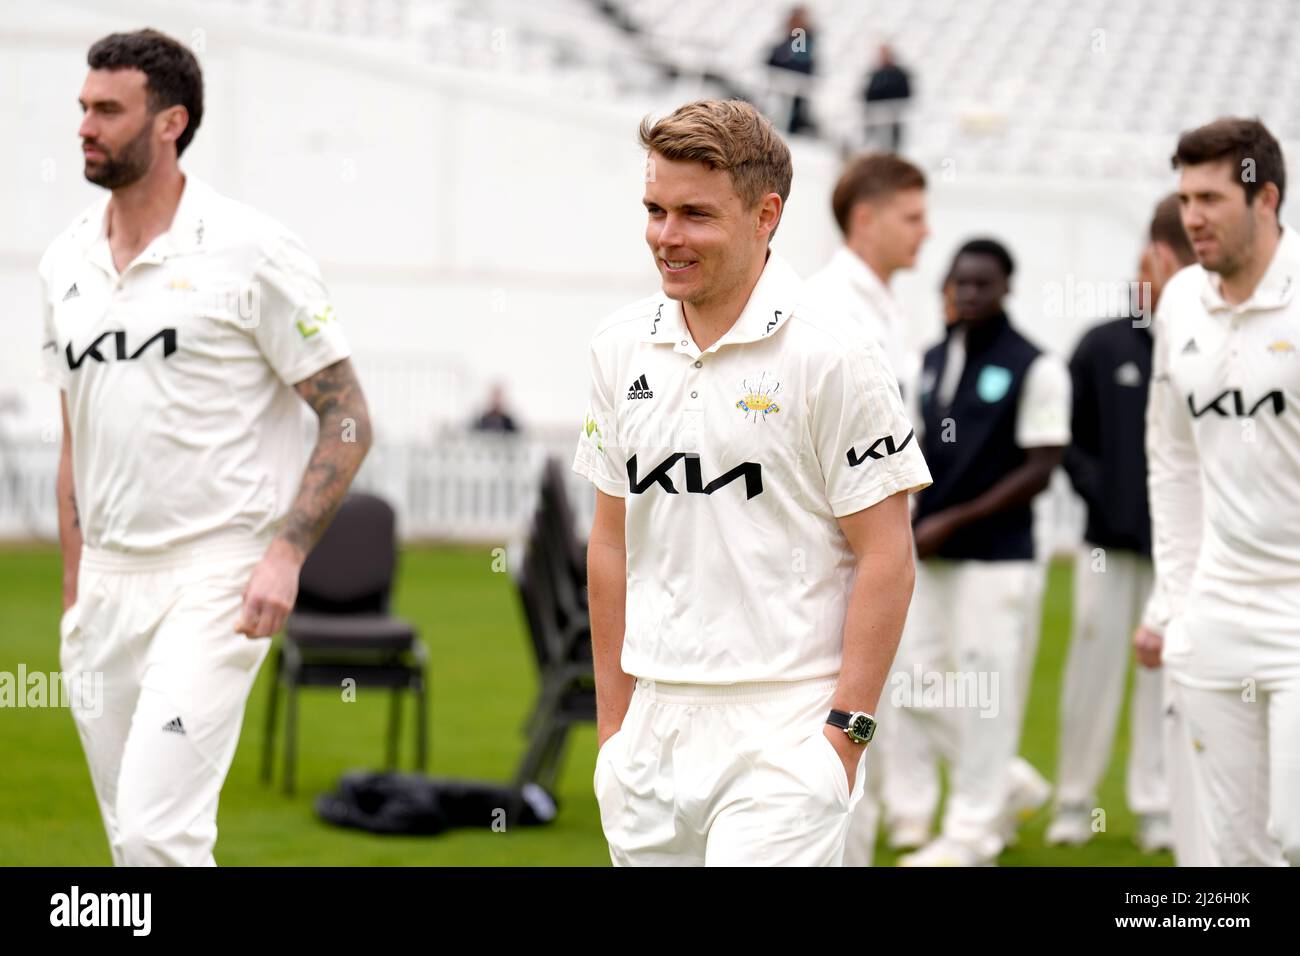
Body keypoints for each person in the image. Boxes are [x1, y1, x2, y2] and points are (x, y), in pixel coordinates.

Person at [42, 29, 372, 866]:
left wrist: (284, 555)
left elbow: (347, 416)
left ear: (169, 122)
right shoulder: (64, 263)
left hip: (217, 577)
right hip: (107, 593)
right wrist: (78, 593)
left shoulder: (251, 250)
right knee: (132, 842)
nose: (86, 124)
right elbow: (75, 432)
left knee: (158, 835)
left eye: (108, 110)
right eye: (83, 106)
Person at [573, 99, 931, 866]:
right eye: (655, 209)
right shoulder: (619, 347)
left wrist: (844, 740)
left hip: (786, 731)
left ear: (766, 215)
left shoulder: (834, 352)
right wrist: (614, 730)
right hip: (650, 734)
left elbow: (887, 554)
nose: (667, 236)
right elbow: (609, 542)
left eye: (695, 214)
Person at [1136, 117, 1300, 867]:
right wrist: (1177, 599)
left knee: (1291, 835)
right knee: (1229, 854)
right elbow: (1171, 461)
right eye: (1185, 197)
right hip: (1216, 613)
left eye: (1210, 198)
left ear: (1264, 199)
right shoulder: (1178, 305)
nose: (1191, 218)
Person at [891, 238, 1070, 866]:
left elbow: (1041, 467)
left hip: (997, 559)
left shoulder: (1036, 366)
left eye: (982, 284)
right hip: (930, 550)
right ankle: (1009, 784)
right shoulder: (928, 361)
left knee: (984, 691)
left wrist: (957, 520)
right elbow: (910, 452)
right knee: (912, 685)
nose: (969, 294)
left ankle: (971, 836)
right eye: (960, 283)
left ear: (1006, 287)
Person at [1047, 194, 1195, 852]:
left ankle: (1157, 804)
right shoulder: (1102, 345)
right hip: (1107, 547)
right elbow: (1067, 442)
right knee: (1091, 670)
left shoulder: (1197, 343)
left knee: (1166, 675)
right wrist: (1104, 495)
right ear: (1148, 259)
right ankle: (1074, 802)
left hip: (1177, 553)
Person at [804, 151, 929, 866]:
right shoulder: (834, 308)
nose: (925, 231)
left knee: (870, 738)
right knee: (838, 752)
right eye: (911, 217)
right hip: (841, 563)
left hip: (879, 553)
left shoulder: (881, 304)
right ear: (865, 219)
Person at [767, 6, 817, 136]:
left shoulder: (802, 39)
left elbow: (799, 64)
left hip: (794, 94)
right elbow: (771, 59)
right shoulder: (788, 41)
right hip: (781, 90)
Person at [863, 44, 911, 153]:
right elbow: (868, 95)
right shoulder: (875, 74)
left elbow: (905, 93)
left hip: (894, 116)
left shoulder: (899, 74)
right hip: (878, 117)